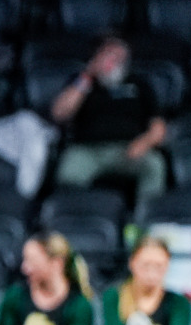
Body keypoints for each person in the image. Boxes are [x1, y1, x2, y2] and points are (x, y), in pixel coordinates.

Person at [48, 34, 167, 207]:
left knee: (154, 165)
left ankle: (145, 220)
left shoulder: (139, 84)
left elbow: (159, 127)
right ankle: (75, 220)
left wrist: (144, 142)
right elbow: (59, 113)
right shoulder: (81, 82)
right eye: (109, 54)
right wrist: (88, 76)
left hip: (127, 149)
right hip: (87, 150)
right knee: (69, 173)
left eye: (119, 56)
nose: (114, 60)